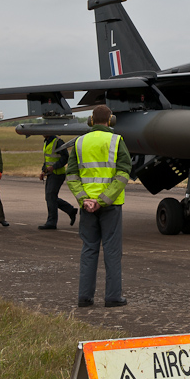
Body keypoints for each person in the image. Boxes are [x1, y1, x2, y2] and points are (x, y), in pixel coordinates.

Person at [66, 105, 131, 308]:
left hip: (86, 206)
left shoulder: (79, 142)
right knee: (111, 251)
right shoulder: (116, 141)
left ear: (91, 121)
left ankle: (84, 298)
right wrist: (103, 199)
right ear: (110, 120)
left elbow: (71, 175)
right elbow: (123, 173)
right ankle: (112, 297)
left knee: (89, 250)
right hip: (110, 205)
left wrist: (84, 199)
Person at [38, 135, 78, 230]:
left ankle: (51, 222)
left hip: (58, 174)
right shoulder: (46, 142)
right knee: (50, 197)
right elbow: (48, 160)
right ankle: (70, 210)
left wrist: (54, 167)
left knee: (50, 196)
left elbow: (65, 157)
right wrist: (43, 171)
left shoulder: (58, 142)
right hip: (51, 174)